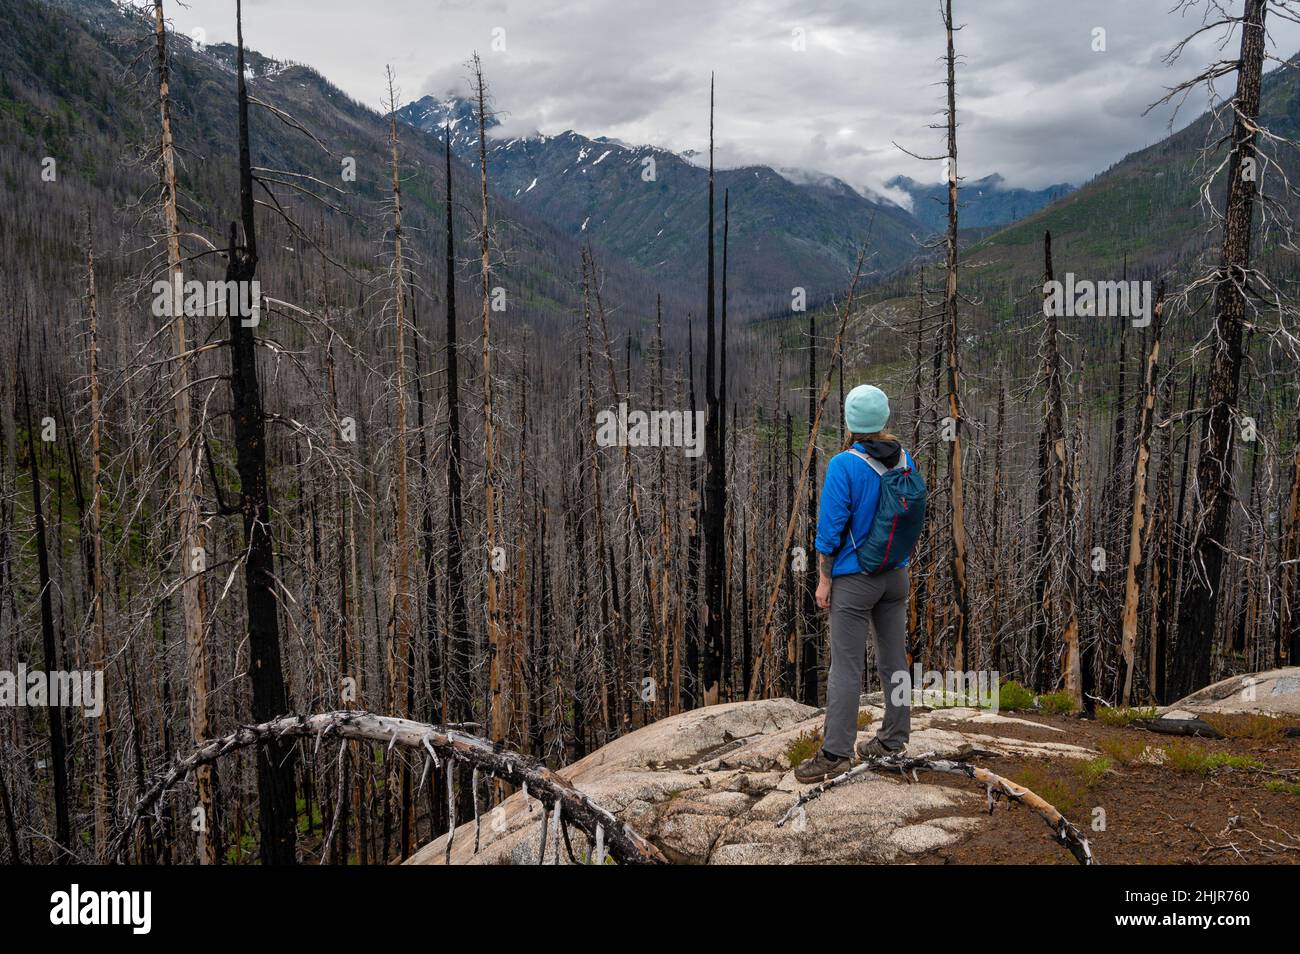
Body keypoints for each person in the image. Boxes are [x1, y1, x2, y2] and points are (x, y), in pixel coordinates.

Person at [795, 383, 916, 784]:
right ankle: (894, 739)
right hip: (896, 576)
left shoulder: (844, 465)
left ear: (850, 422)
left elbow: (829, 531)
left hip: (855, 578)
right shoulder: (904, 458)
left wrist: (825, 577)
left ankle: (835, 753)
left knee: (846, 666)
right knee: (894, 662)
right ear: (883, 419)